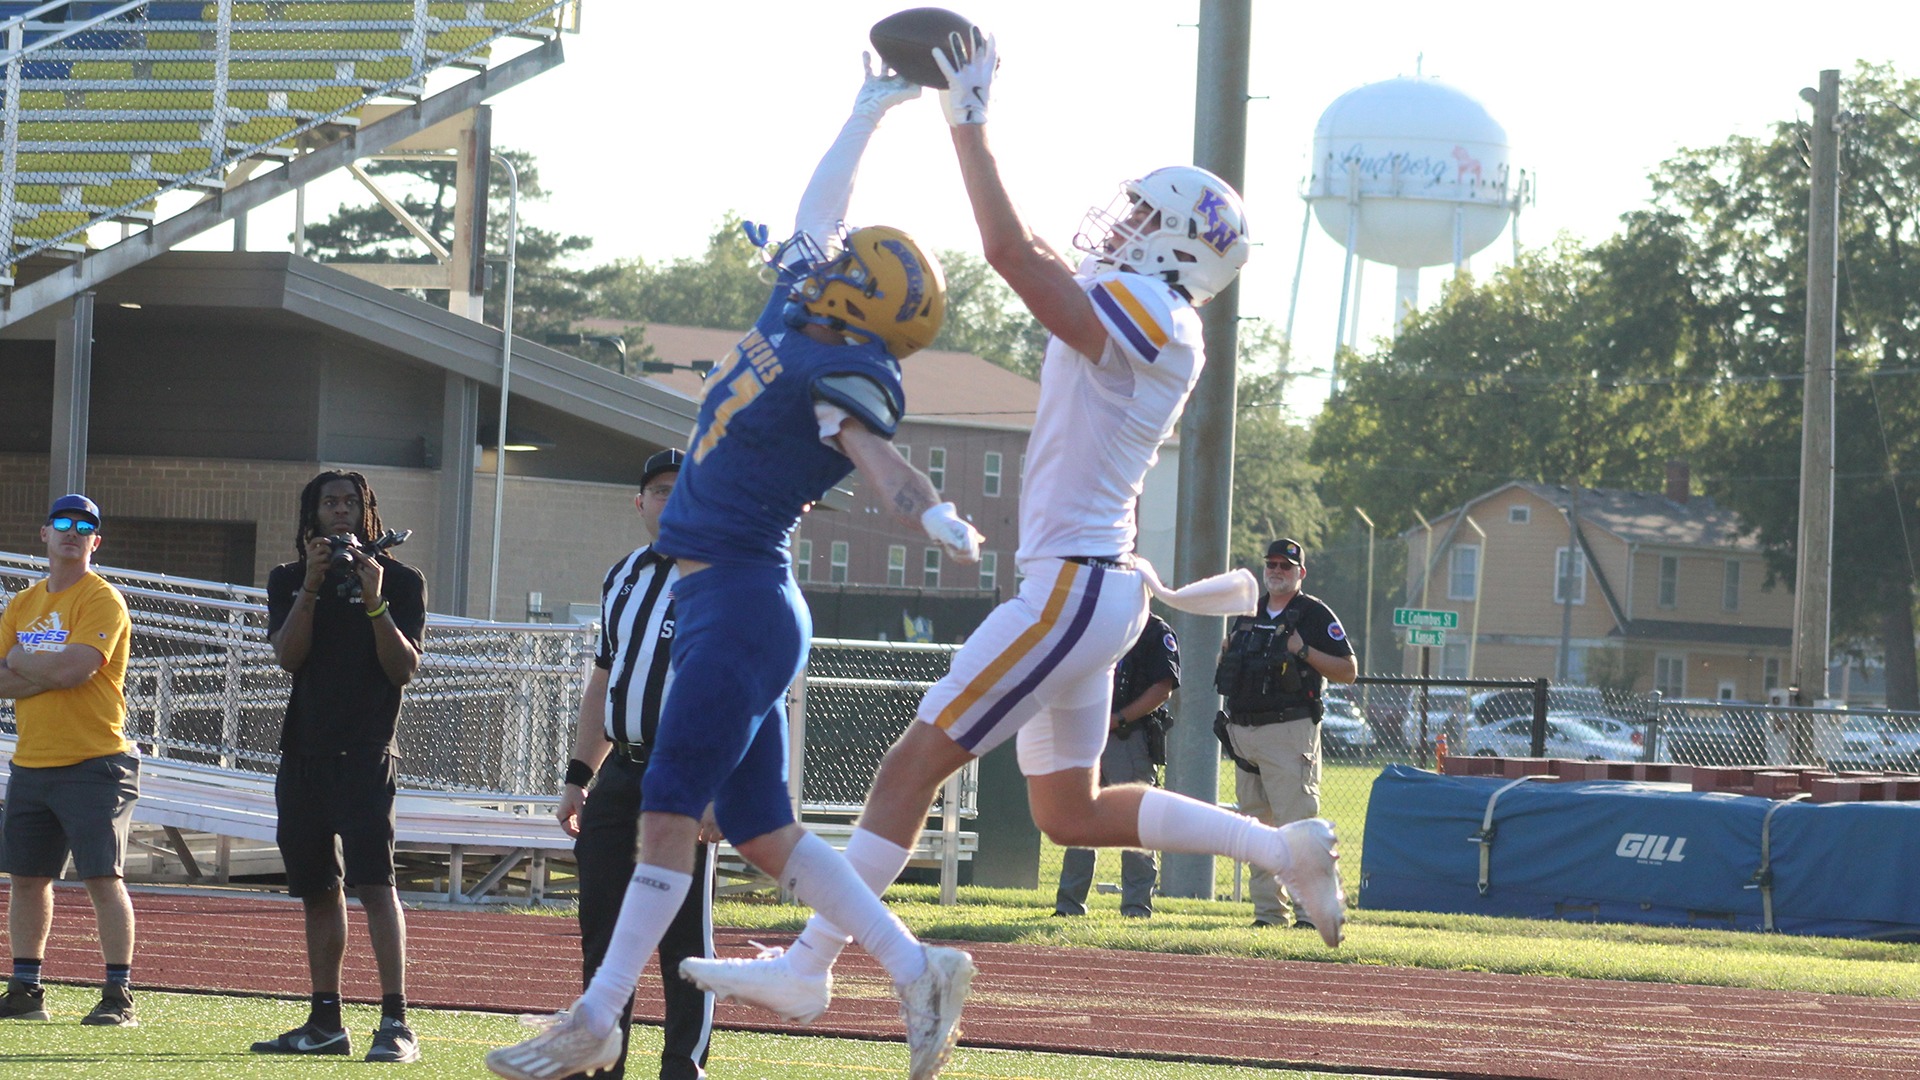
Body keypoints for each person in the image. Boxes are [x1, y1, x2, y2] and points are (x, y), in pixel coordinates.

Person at [677, 25, 1344, 1046]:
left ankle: (812, 967)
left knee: (907, 767)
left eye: (1139, 215)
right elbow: (1031, 267)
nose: (1118, 224)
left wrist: (969, 116)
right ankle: (1282, 847)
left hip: (1074, 586)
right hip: (1092, 584)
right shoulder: (1155, 309)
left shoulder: (1157, 312)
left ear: (1175, 241)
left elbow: (1008, 253)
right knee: (1069, 813)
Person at [487, 57, 984, 1080]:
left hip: (742, 600)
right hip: (732, 597)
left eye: (854, 265)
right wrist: (867, 112)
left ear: (865, 299)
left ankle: (597, 1015)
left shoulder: (838, 375)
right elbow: (821, 203)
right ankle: (913, 965)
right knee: (761, 829)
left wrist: (935, 513)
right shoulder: (805, 308)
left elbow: (877, 461)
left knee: (670, 809)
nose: (834, 258)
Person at [252, 470, 426, 1062]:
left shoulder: (401, 580)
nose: (341, 511)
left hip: (366, 754)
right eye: (330, 503)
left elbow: (402, 669)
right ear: (313, 515)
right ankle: (325, 1022)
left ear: (367, 511)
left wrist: (374, 599)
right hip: (302, 755)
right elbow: (288, 656)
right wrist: (312, 585)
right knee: (318, 890)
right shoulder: (287, 579)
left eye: (351, 502)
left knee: (375, 885)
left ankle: (395, 1022)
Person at [555, 448, 716, 1080]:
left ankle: (683, 1068)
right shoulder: (622, 575)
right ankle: (604, 1064)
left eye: (684, 491)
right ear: (639, 500)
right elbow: (604, 680)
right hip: (621, 772)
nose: (670, 502)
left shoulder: (721, 575)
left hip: (686, 776)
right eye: (659, 490)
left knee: (683, 941)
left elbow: (744, 695)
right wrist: (577, 776)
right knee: (601, 928)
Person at [0, 495, 139, 1027]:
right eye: (63, 522)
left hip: (95, 761)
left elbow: (74, 671)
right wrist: (40, 667)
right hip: (32, 762)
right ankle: (26, 989)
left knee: (103, 877)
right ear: (44, 534)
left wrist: (22, 662)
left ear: (95, 542)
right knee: (27, 878)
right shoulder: (23, 603)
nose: (73, 532)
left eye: (85, 526)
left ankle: (117, 995)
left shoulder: (101, 599)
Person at [1215, 539, 1357, 929]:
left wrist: (1304, 650)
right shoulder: (1250, 610)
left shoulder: (1312, 614)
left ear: (1300, 573)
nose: (1277, 570)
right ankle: (1267, 915)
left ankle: (1312, 914)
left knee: (1297, 829)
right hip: (1244, 732)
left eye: (1286, 565)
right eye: (1272, 564)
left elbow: (1348, 670)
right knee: (1256, 830)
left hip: (1289, 731)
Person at [1053, 612, 1179, 919]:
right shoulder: (1100, 624)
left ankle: (1136, 909)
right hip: (1089, 736)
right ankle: (1068, 907)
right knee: (1079, 822)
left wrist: (1118, 719)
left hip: (1129, 738)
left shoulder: (1155, 631)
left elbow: (1163, 688)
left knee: (1135, 824)